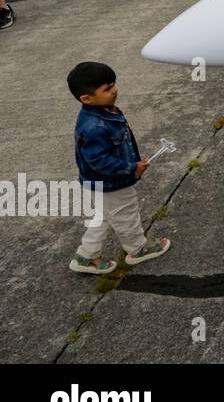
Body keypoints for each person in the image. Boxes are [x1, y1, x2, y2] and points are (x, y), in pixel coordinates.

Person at [66, 61, 171, 275]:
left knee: (104, 217)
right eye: (107, 88)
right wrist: (130, 167)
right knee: (126, 215)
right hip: (111, 182)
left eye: (113, 84)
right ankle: (138, 249)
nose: (115, 90)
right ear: (86, 98)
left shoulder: (104, 110)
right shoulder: (94, 127)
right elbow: (100, 161)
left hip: (102, 182)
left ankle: (86, 256)